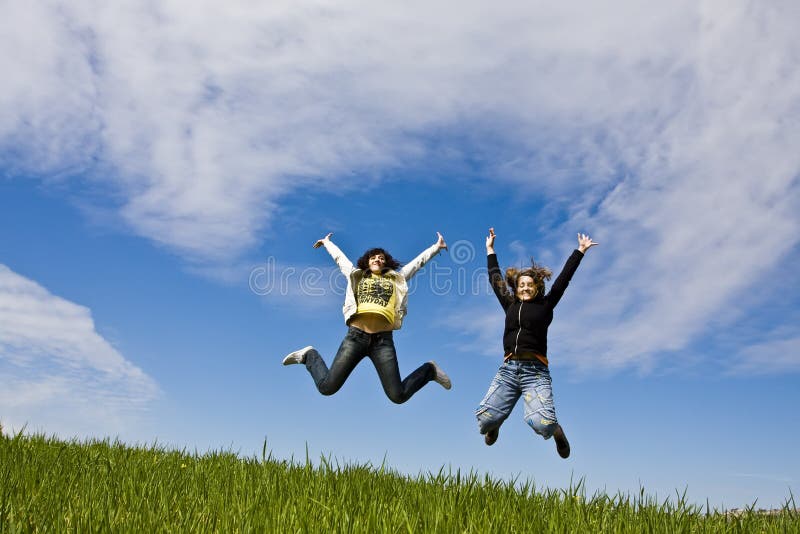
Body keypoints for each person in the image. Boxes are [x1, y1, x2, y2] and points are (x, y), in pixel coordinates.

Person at [282, 232, 452, 403]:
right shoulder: (357, 276)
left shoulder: (396, 278)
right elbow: (340, 260)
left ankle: (429, 370)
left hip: (383, 343)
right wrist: (327, 243)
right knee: (327, 388)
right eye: (373, 257)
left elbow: (417, 263)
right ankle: (309, 355)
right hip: (355, 338)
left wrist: (436, 247)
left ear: (386, 263)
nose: (377, 259)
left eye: (381, 258)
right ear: (367, 261)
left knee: (397, 395)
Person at [476, 228, 597, 457]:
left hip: (536, 372)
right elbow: (495, 279)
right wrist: (490, 250)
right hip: (509, 370)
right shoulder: (510, 304)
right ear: (516, 287)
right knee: (485, 421)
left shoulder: (546, 306)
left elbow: (563, 280)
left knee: (543, 424)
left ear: (537, 287)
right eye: (521, 284)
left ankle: (558, 432)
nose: (524, 287)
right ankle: (495, 425)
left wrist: (580, 251)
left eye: (529, 284)